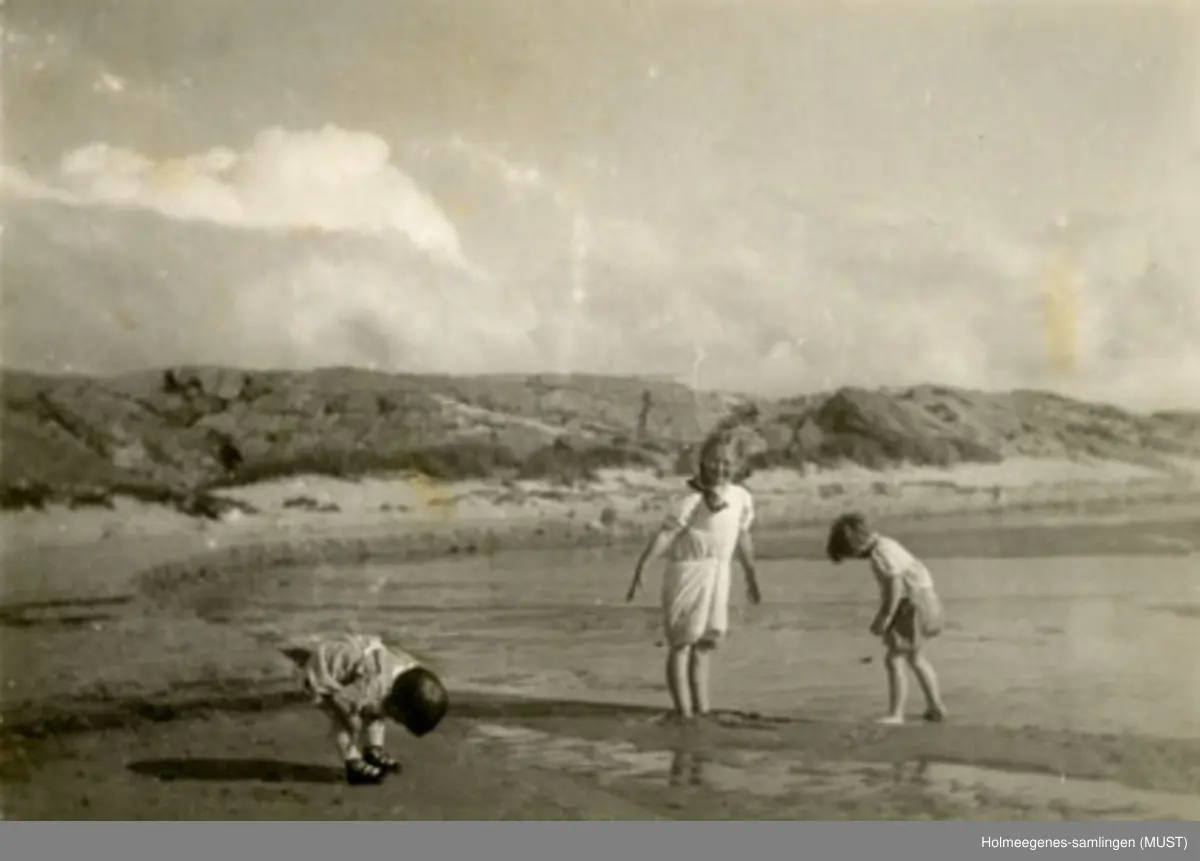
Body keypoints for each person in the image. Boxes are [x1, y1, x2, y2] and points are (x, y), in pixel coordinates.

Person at [625, 431, 761, 721]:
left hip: (719, 572)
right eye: (714, 462)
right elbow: (666, 535)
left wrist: (751, 575)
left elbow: (742, 536)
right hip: (688, 571)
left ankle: (703, 710)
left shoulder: (741, 497)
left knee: (707, 642)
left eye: (727, 463)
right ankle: (684, 713)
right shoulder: (691, 498)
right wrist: (642, 569)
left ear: (736, 465)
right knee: (683, 642)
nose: (720, 468)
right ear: (702, 462)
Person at [826, 511, 948, 725]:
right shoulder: (888, 544)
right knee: (916, 658)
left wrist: (885, 616)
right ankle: (935, 706)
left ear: (856, 544)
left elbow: (895, 584)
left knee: (894, 658)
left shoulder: (880, 553)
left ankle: (896, 714)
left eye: (851, 553)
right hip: (927, 600)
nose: (856, 558)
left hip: (910, 604)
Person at [280, 633, 450, 785]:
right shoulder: (371, 686)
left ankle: (373, 751)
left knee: (374, 711)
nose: (397, 722)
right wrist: (351, 722)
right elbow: (339, 700)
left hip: (354, 663)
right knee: (347, 721)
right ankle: (353, 761)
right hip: (325, 673)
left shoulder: (402, 674)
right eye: (400, 719)